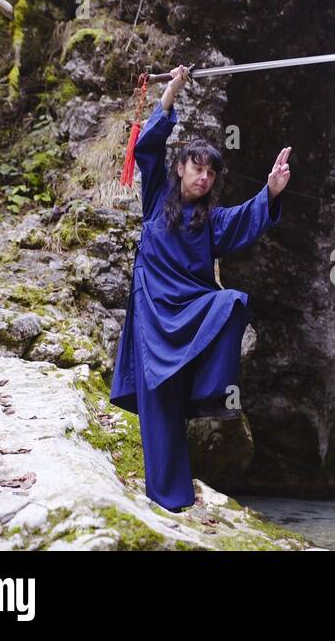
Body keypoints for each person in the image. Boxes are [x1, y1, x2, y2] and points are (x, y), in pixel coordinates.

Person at [108, 65, 292, 512]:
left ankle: (207, 391)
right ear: (181, 168)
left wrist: (269, 191)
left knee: (232, 302)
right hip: (152, 310)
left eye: (211, 172)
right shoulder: (155, 196)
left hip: (192, 309)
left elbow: (249, 219)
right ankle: (167, 498)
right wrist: (170, 92)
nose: (204, 177)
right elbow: (147, 147)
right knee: (158, 406)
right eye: (197, 167)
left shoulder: (213, 218)